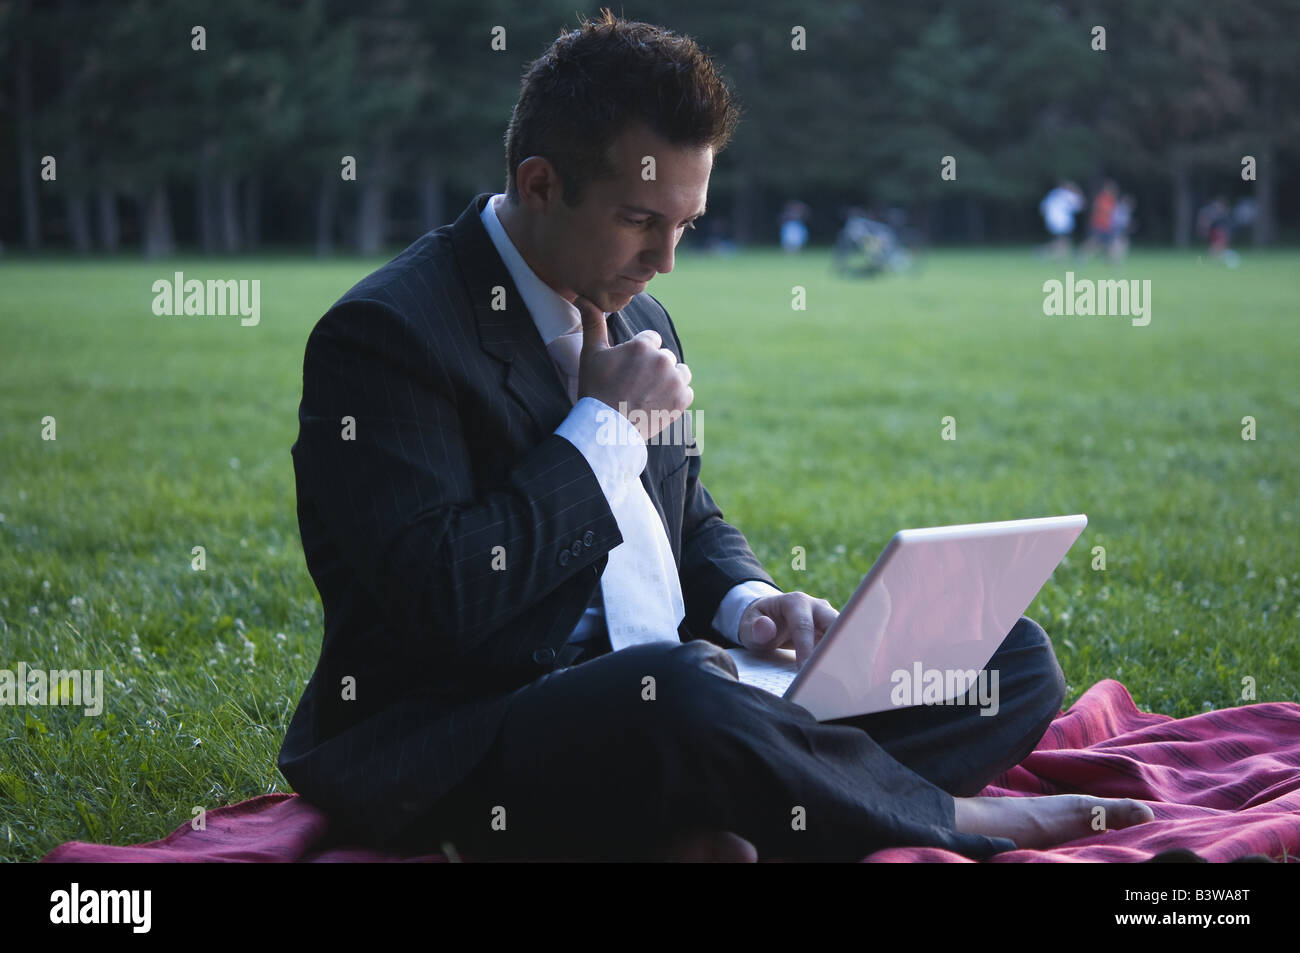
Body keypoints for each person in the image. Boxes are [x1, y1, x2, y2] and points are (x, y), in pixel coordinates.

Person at [277, 10, 1154, 862]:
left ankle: (725, 811)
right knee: (682, 697)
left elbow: (686, 518)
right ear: (540, 183)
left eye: (684, 225)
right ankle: (938, 814)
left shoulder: (641, 314)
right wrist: (605, 427)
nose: (666, 261)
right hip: (475, 732)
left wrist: (749, 603)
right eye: (640, 220)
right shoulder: (386, 336)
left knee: (1007, 659)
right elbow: (442, 600)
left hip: (690, 698)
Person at [1038, 181, 1084, 259]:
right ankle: (1048, 253)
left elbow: (1043, 208)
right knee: (1064, 241)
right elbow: (1080, 206)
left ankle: (1051, 254)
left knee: (1061, 240)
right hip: (1064, 221)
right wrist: (1078, 191)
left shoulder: (1053, 193)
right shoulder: (1069, 195)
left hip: (1052, 220)